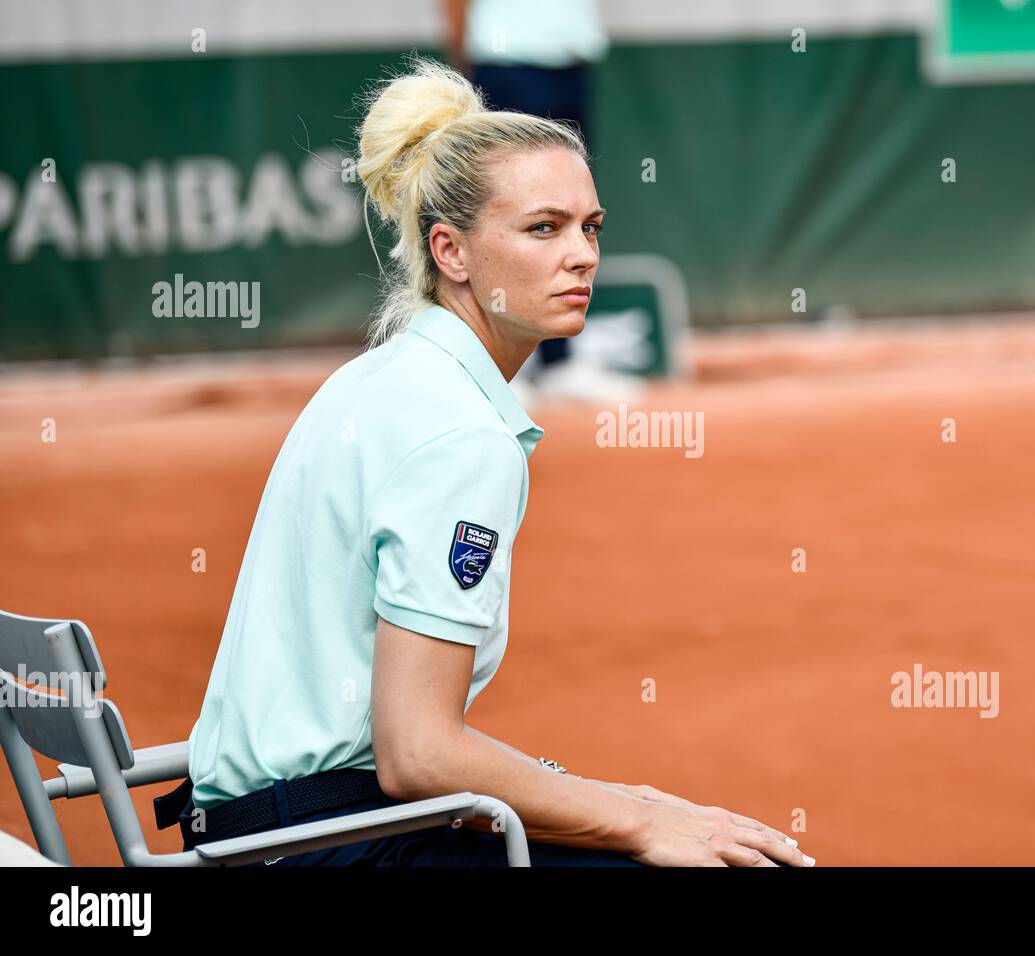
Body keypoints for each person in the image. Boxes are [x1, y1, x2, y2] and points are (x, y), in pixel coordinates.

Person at [159, 58, 812, 868]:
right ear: (451, 251)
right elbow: (419, 755)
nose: (582, 256)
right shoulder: (462, 437)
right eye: (543, 228)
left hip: (266, 830)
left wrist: (614, 803)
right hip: (323, 845)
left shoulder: (376, 380)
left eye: (591, 227)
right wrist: (635, 817)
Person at [441, 0, 646, 406]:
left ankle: (558, 362)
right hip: (506, 62)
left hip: (571, 63)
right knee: (503, 207)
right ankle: (492, 366)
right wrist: (465, 53)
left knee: (567, 205)